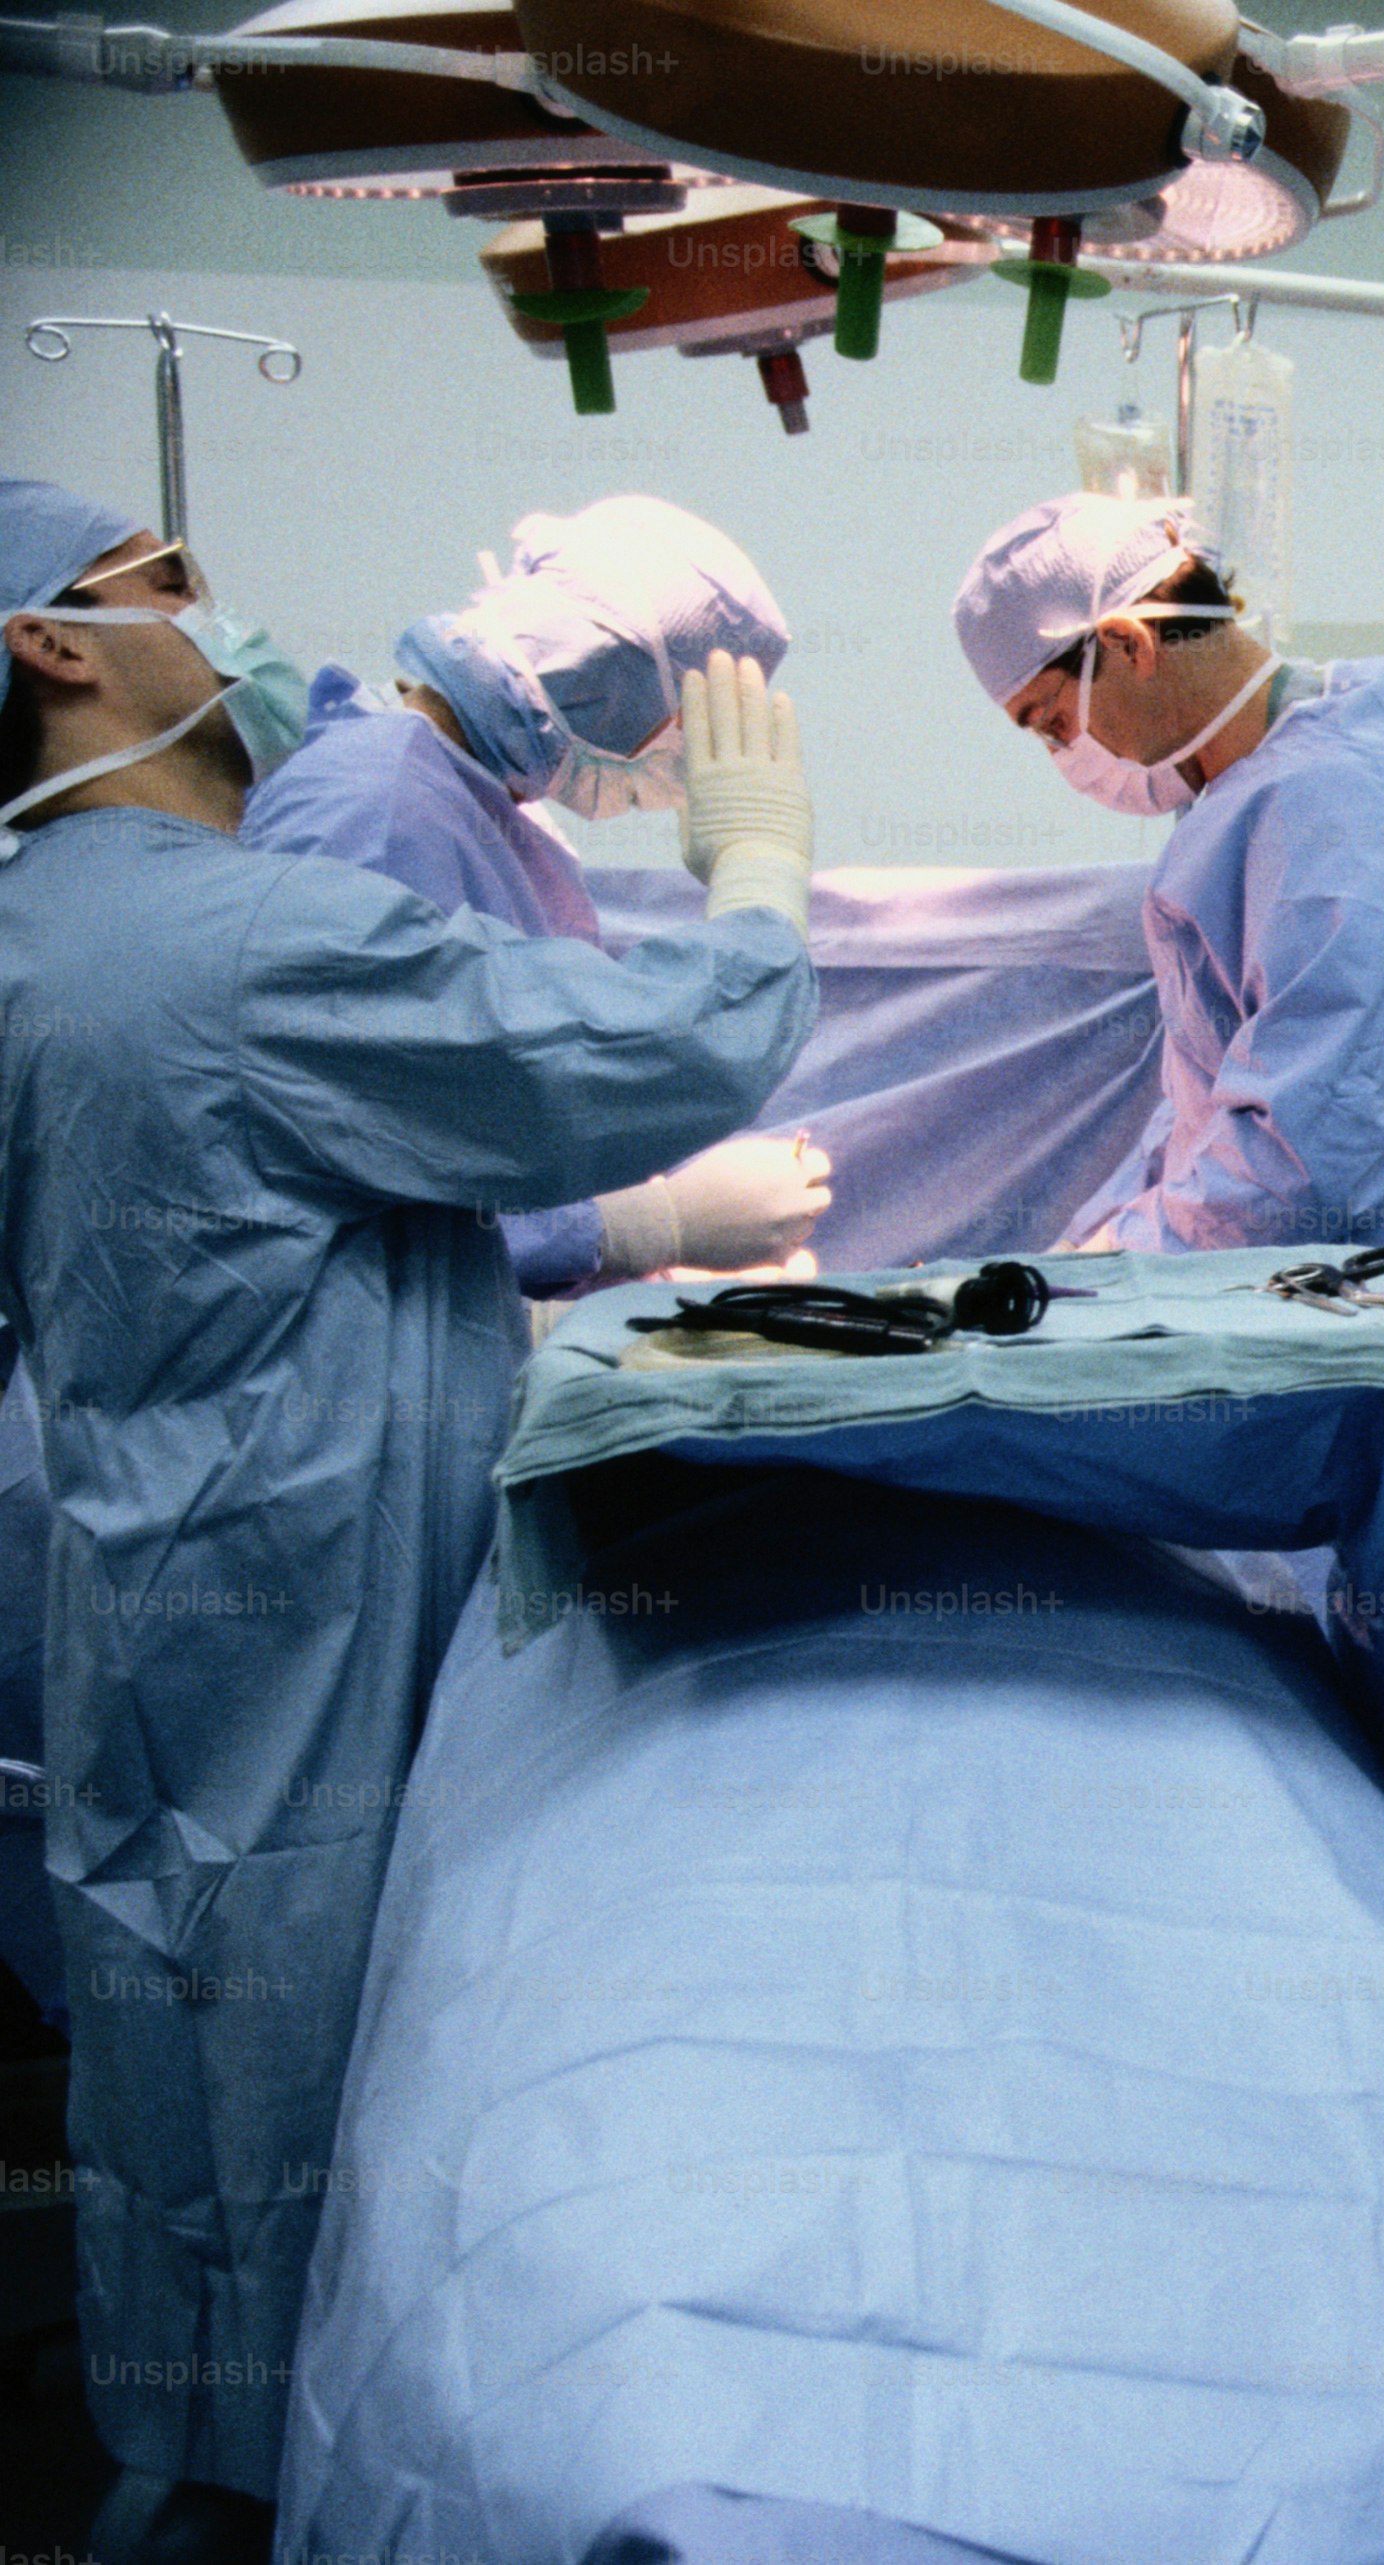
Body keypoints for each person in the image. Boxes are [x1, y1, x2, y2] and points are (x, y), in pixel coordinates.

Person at [0, 477, 821, 2556]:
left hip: (151, 1586)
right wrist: (754, 878)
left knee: (182, 2089)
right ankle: (301, 2494)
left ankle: (188, 2476)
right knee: (321, 2092)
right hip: (300, 1599)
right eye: (164, 576)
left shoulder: (46, 938)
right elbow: (676, 1044)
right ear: (53, 644)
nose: (225, 606)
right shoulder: (235, 940)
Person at [949, 496, 1384, 1301]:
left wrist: (1107, 1275)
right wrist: (1082, 1251)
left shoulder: (1329, 808)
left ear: (1128, 644)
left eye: (1053, 722)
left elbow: (1301, 1158)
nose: (1066, 754)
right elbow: (1211, 1104)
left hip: (1379, 1289)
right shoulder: (1268, 778)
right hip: (1328, 1272)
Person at [240, 495, 832, 1290]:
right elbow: (382, 1165)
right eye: (686, 729)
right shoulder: (374, 817)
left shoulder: (467, 806)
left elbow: (512, 1111)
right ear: (601, 683)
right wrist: (650, 1225)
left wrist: (646, 1267)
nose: (686, 766)